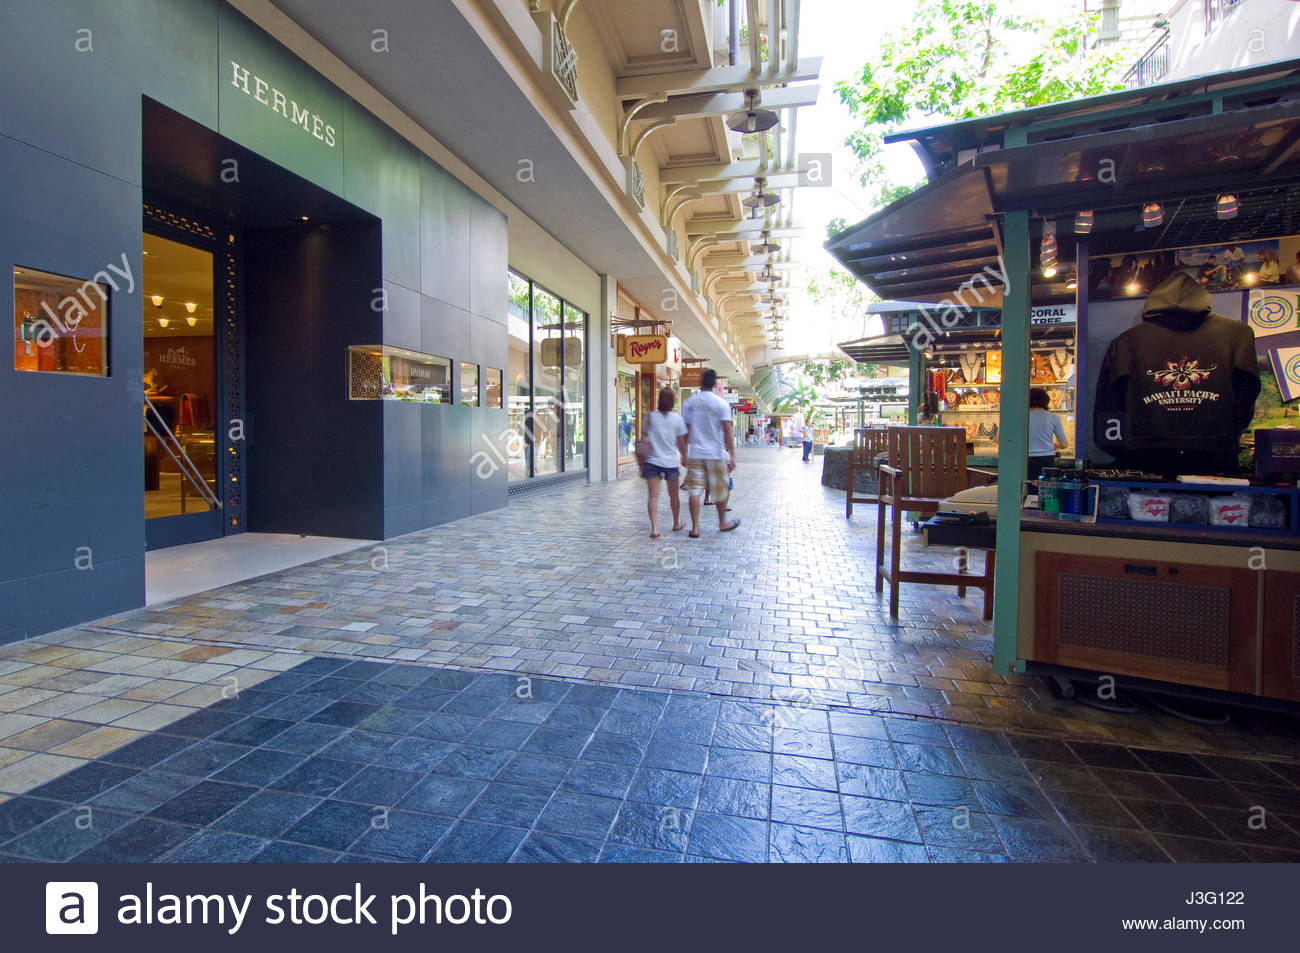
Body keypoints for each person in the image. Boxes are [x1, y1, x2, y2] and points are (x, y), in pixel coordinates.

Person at [681, 368, 739, 536]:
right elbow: (727, 431)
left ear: (701, 382)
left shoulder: (690, 402)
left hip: (695, 453)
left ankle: (695, 528)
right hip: (716, 454)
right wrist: (732, 455)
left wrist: (684, 454)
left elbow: (686, 430)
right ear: (714, 383)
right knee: (720, 490)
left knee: (694, 491)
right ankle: (722, 523)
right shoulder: (721, 404)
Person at [641, 386, 687, 538]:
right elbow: (681, 442)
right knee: (674, 496)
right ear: (673, 402)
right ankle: (676, 523)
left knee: (653, 496)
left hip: (652, 461)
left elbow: (644, 436)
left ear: (659, 400)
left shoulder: (650, 417)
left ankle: (655, 528)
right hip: (671, 463)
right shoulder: (678, 419)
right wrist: (684, 456)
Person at [1027, 386, 1067, 480]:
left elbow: (1000, 439)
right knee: (1044, 487)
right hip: (1046, 460)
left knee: (1023, 486)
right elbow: (1064, 444)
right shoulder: (1053, 418)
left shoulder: (1019, 416)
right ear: (1046, 401)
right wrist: (1055, 445)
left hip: (1022, 459)